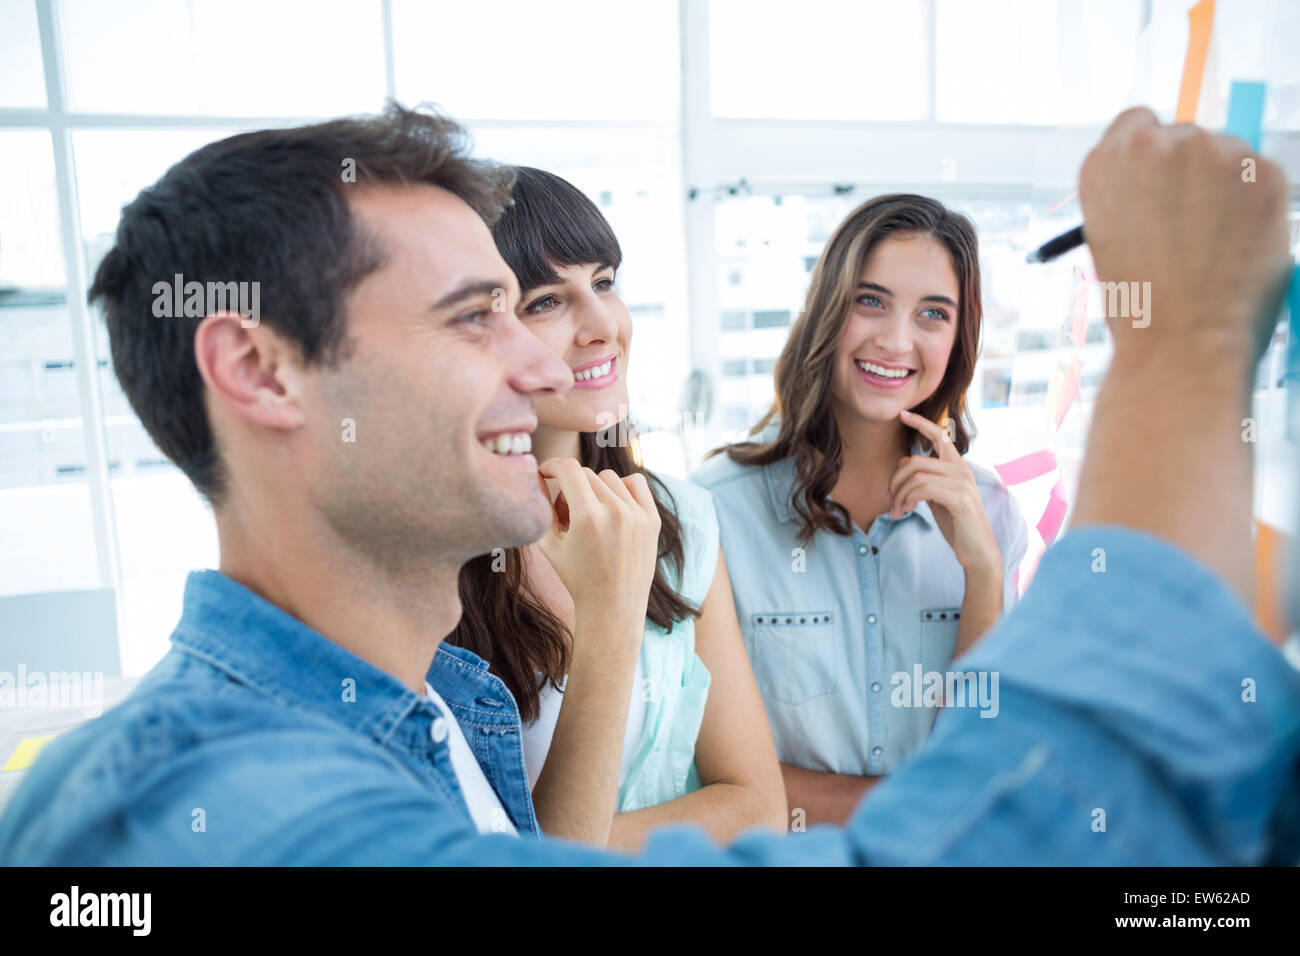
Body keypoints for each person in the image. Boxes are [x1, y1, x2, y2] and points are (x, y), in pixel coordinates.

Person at [0, 103, 1296, 865]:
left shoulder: (439, 706)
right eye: (479, 316)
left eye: (556, 303)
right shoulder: (203, 810)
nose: (554, 358)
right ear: (263, 371)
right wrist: (1180, 337)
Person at [446, 167, 786, 849]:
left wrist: (571, 845)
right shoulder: (433, 556)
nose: (604, 327)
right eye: (547, 302)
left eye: (605, 283)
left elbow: (758, 804)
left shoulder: (677, 519)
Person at [691, 194, 1027, 824]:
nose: (896, 340)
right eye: (870, 301)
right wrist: (915, 808)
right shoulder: (712, 512)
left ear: (959, 339)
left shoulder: (993, 512)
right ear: (826, 311)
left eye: (933, 313)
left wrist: (982, 573)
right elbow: (711, 771)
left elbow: (989, 754)